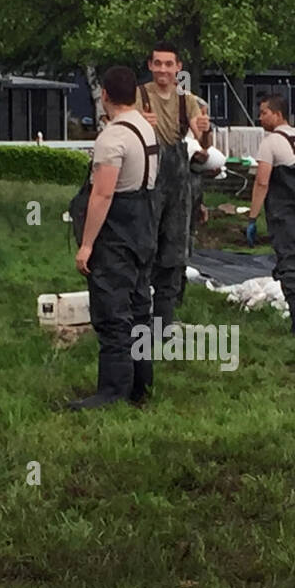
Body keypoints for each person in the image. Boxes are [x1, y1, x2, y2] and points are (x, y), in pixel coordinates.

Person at [70, 65, 160, 409]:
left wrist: (87, 244)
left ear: (105, 94)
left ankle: (112, 392)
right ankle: (141, 384)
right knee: (139, 309)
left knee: (112, 313)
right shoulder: (144, 128)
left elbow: (103, 195)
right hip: (144, 228)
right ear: (135, 94)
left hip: (117, 234)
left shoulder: (112, 137)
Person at [139, 41, 211, 329]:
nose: (163, 70)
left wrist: (205, 132)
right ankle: (139, 315)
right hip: (146, 177)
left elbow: (202, 143)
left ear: (178, 68)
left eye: (169, 64)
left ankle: (164, 321)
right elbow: (115, 126)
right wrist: (139, 122)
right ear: (150, 65)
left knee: (174, 249)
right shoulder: (139, 96)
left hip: (178, 182)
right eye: (158, 63)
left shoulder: (187, 100)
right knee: (144, 246)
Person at [247, 93, 295, 340]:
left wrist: (252, 216)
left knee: (290, 270)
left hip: (287, 215)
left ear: (277, 114)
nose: (260, 118)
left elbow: (262, 181)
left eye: (264, 113)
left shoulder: (270, 143)